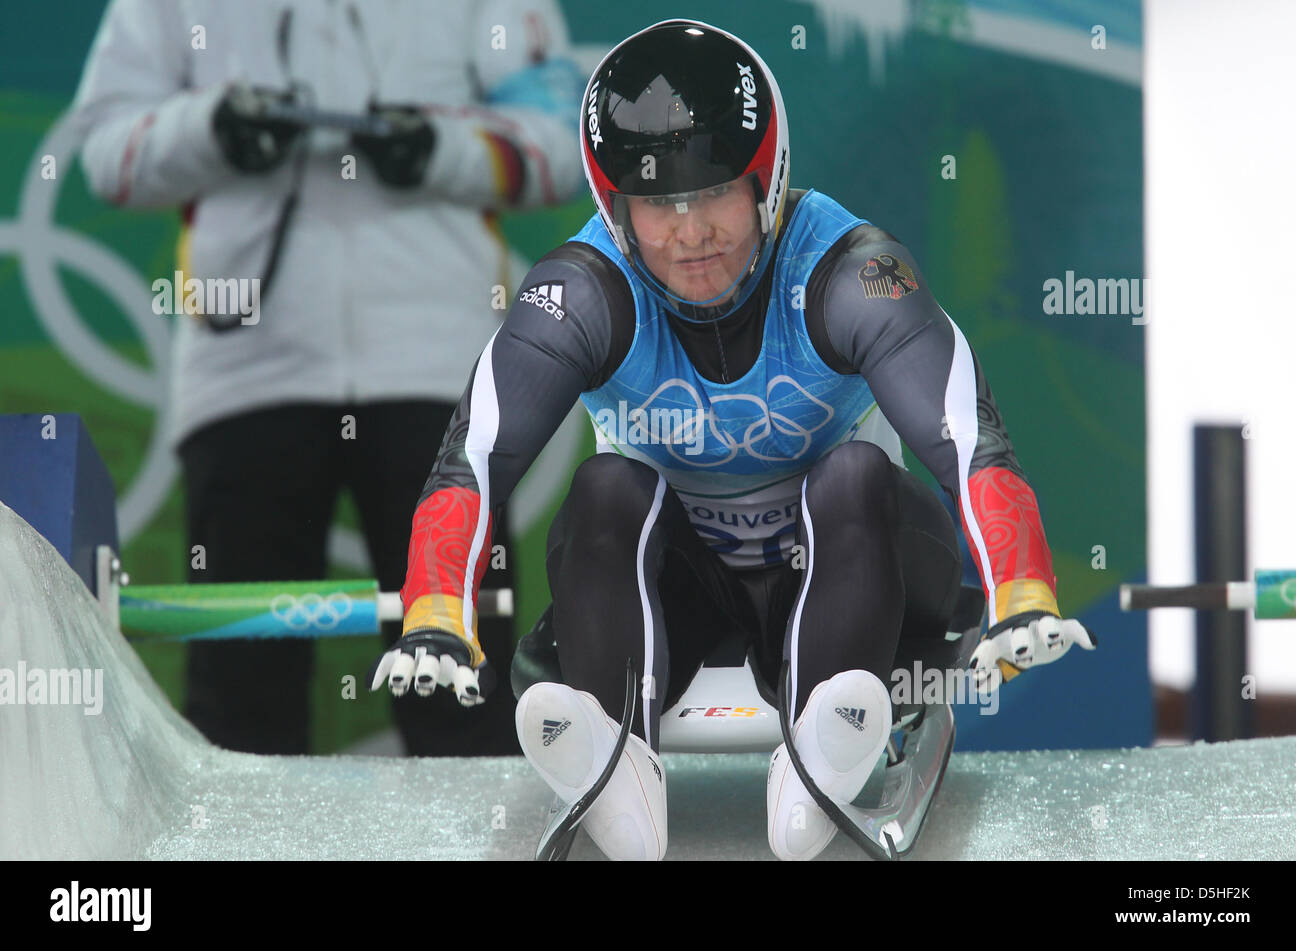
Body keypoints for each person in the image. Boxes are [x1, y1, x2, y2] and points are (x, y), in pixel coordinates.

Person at [371, 19, 1096, 859]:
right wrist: (431, 609)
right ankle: (616, 749)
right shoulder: (582, 290)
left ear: (767, 180)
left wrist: (1022, 590)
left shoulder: (851, 271)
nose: (690, 234)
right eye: (658, 204)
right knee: (605, 486)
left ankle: (828, 734)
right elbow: (473, 457)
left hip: (846, 576)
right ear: (616, 207)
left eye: (714, 191)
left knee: (855, 472)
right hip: (677, 590)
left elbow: (969, 438)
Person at [71, 0, 586, 756]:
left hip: (435, 366)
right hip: (248, 372)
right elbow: (101, 152)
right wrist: (213, 128)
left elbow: (563, 142)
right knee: (241, 714)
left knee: (462, 693)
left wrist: (437, 146)